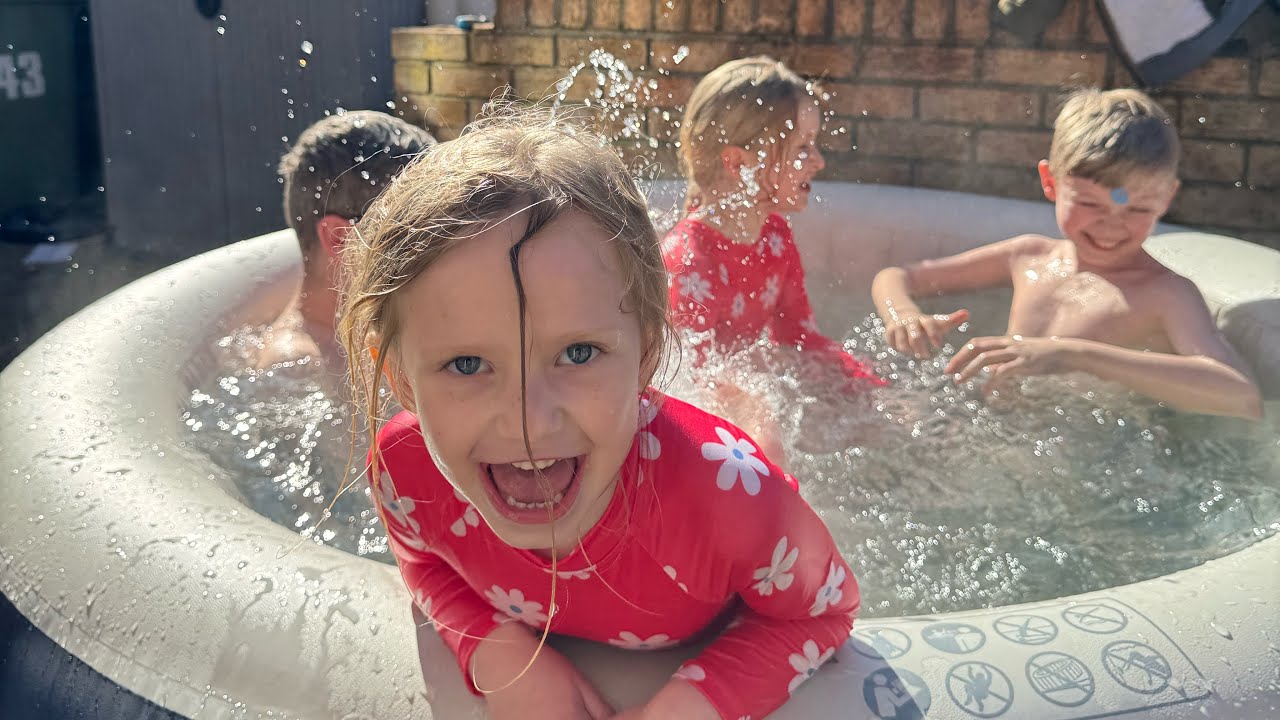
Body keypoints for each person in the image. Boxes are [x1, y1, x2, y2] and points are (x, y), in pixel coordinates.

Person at [336, 108, 860, 720]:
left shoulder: (726, 495)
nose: (527, 420)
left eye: (578, 353)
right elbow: (422, 559)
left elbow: (825, 607)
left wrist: (688, 707)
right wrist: (495, 651)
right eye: (468, 365)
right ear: (398, 375)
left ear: (648, 353)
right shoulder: (404, 467)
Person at [871, 87, 1263, 420]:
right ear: (1050, 182)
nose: (1112, 225)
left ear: (1166, 198)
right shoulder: (1028, 257)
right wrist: (903, 315)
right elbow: (898, 277)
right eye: (1091, 204)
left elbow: (1241, 396)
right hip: (998, 431)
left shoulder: (1165, 293)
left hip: (1087, 463)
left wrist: (1078, 355)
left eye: (1138, 209)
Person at [662, 57, 884, 463]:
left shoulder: (775, 237)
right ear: (738, 163)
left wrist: (873, 391)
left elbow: (801, 339)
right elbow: (686, 392)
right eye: (802, 147)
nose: (819, 161)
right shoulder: (689, 262)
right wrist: (761, 425)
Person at [257, 110, 435, 371]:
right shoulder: (297, 368)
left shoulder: (381, 333)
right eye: (412, 225)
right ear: (341, 238)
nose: (434, 241)